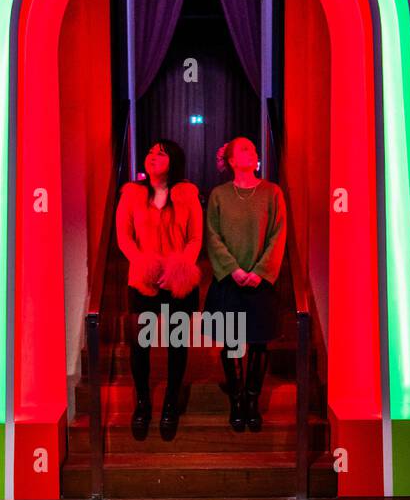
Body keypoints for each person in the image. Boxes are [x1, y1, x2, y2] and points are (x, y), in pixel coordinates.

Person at [115, 140, 202, 441]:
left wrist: (177, 269)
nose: (153, 156)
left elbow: (195, 239)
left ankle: (171, 403)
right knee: (141, 344)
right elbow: (124, 237)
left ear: (173, 160)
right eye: (150, 152)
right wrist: (144, 264)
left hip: (178, 281)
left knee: (177, 344)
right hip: (143, 279)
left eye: (161, 153)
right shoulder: (132, 194)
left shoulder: (187, 194)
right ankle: (142, 403)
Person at [205, 136, 287, 432]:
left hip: (261, 283)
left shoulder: (272, 192)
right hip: (229, 281)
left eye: (252, 148)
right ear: (229, 160)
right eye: (243, 148)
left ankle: (252, 400)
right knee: (231, 343)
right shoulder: (219, 194)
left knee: (258, 343)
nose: (250, 151)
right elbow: (211, 236)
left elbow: (278, 235)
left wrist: (261, 271)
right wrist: (233, 269)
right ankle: (236, 400)